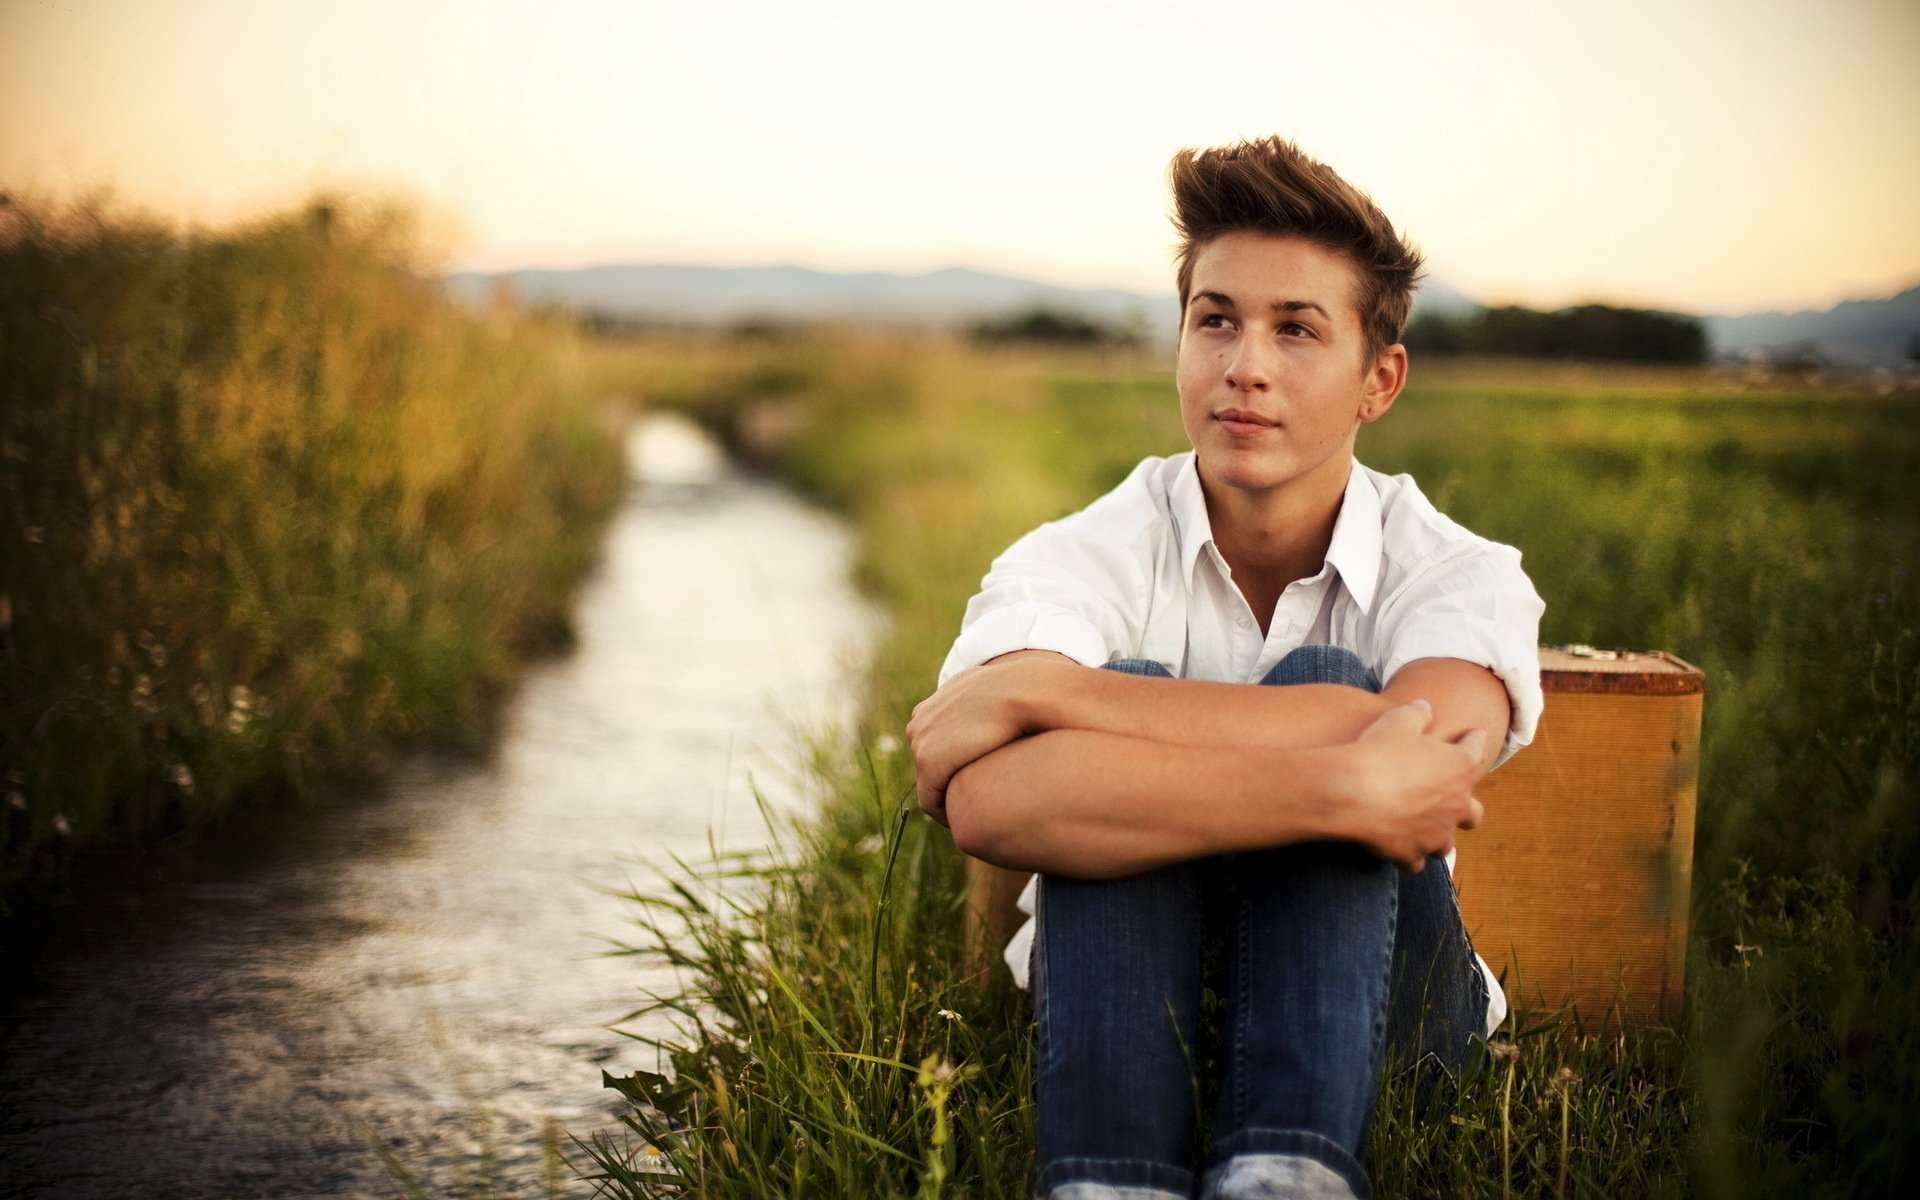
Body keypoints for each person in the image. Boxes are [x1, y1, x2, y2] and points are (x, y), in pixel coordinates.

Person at [906, 136, 1545, 1200]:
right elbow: (984, 802)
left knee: (1312, 674)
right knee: (1206, 687)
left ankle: (1287, 1175)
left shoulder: (1458, 572)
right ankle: (1114, 1183)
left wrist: (1052, 698)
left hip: (1384, 1021)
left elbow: (1423, 755)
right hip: (1124, 1005)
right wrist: (1338, 781)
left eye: (1297, 328)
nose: (1245, 363)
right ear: (1181, 341)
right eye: (1216, 319)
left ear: (1378, 379)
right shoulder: (1080, 553)